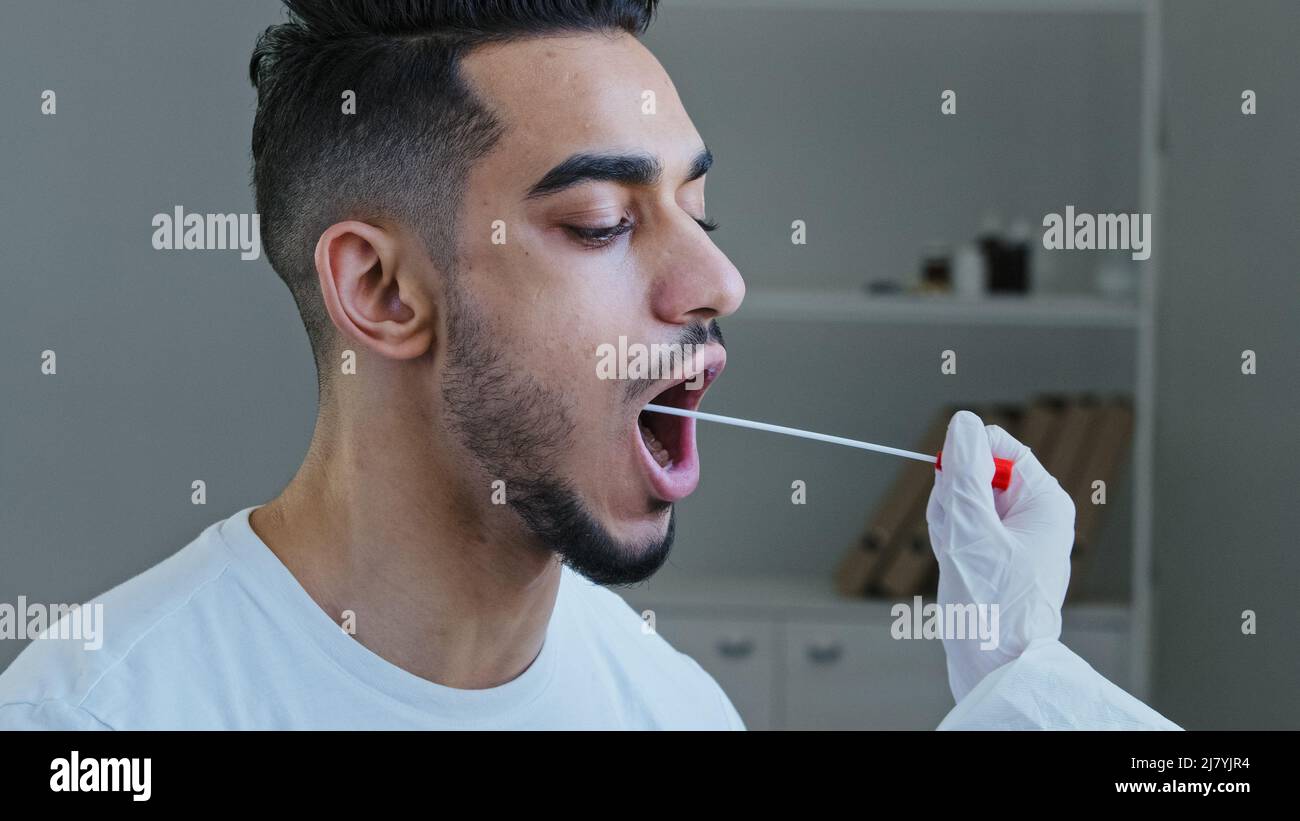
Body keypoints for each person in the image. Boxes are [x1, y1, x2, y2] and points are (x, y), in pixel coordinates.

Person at [0, 0, 1176, 730]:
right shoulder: (96, 724)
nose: (718, 282)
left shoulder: (673, 710)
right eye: (606, 223)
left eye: (701, 207)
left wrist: (1027, 688)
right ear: (381, 291)